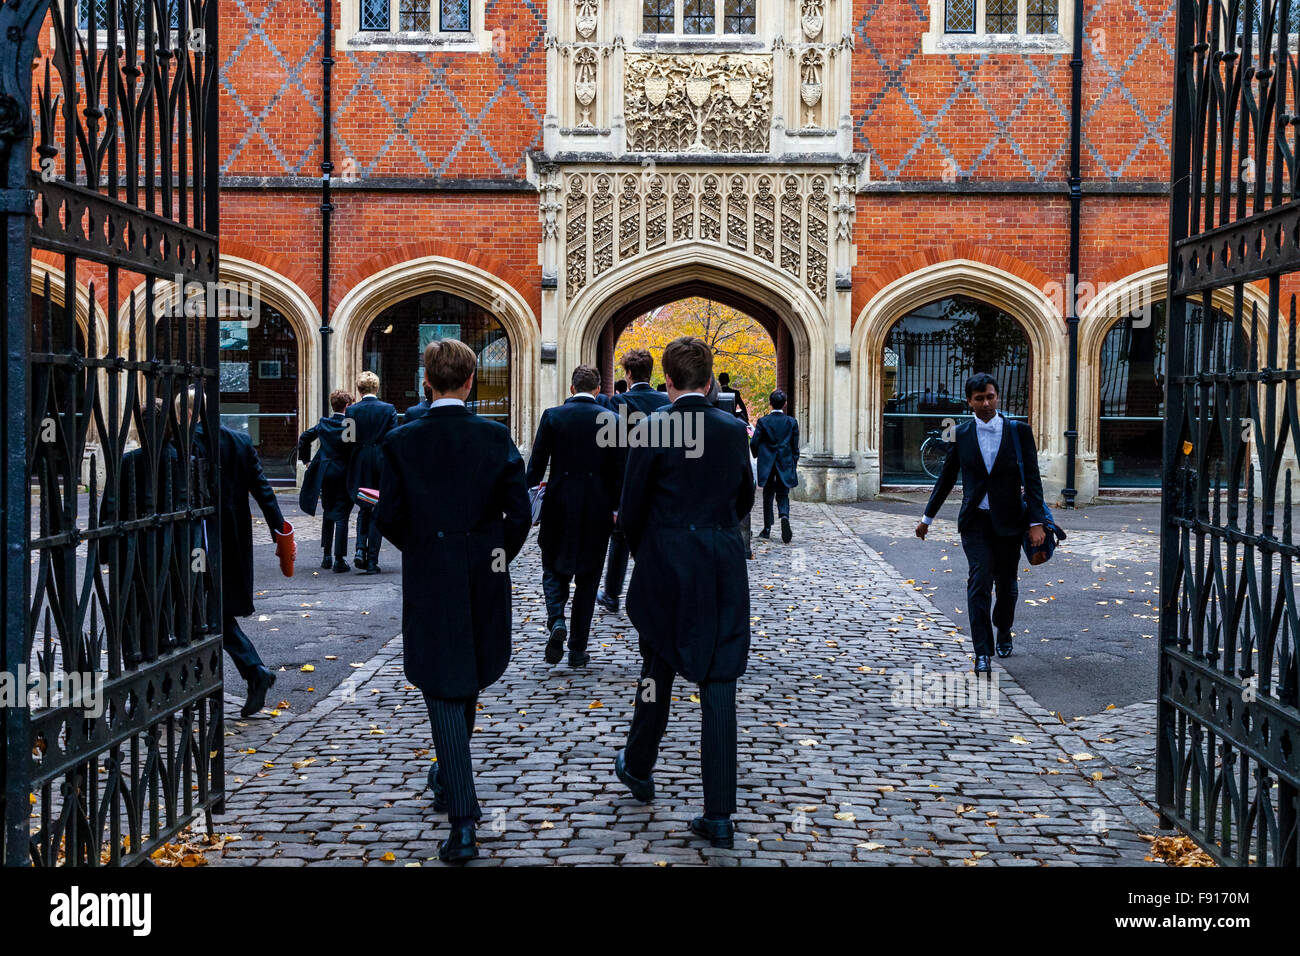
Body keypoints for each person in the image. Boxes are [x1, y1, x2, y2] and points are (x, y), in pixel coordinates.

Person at [377, 338, 531, 864]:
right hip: (483, 568)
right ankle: (456, 796)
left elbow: (388, 516)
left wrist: (424, 549)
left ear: (428, 381)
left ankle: (460, 813)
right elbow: (520, 511)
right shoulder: (494, 436)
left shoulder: (402, 440)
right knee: (460, 678)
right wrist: (494, 551)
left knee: (448, 681)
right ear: (470, 382)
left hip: (431, 571)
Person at [613, 336, 754, 849]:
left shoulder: (652, 427)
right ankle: (718, 814)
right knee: (719, 684)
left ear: (668, 382)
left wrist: (650, 548)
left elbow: (631, 509)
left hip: (666, 565)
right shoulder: (733, 428)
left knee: (656, 668)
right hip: (718, 566)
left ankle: (640, 764)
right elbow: (743, 497)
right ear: (710, 379)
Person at [915, 372, 1046, 674]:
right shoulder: (960, 434)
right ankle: (982, 652)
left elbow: (1034, 480)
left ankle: (1003, 627)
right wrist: (927, 519)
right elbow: (946, 478)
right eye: (979, 399)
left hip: (1010, 521)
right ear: (969, 402)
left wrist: (1036, 521)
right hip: (975, 523)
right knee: (979, 581)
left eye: (990, 397)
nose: (986, 403)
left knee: (1008, 587)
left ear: (997, 397)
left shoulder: (1019, 431)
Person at [188, 389, 290, 718]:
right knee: (210, 608)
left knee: (196, 605)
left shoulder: (188, 442)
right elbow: (263, 490)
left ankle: (194, 686)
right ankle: (250, 672)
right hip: (233, 539)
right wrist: (281, 532)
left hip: (199, 539)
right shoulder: (240, 441)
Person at [526, 364, 620, 666]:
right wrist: (617, 507)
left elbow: (537, 464)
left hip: (559, 502)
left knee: (553, 565)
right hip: (597, 506)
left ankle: (556, 619)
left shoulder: (553, 417)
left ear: (570, 388)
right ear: (597, 390)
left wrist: (528, 500)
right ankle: (578, 648)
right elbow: (619, 471)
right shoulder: (613, 421)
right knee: (589, 577)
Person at [596, 348, 671, 614]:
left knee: (620, 537)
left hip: (626, 478)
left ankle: (612, 594)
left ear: (628, 374)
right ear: (651, 373)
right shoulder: (665, 403)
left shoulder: (616, 404)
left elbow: (608, 447)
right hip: (661, 480)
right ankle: (657, 591)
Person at [344, 371, 398, 574]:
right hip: (381, 462)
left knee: (364, 506)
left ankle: (359, 549)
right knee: (377, 507)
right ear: (376, 388)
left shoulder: (352, 411)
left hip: (360, 460)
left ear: (359, 389)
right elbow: (392, 437)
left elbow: (347, 439)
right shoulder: (388, 409)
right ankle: (372, 560)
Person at [298, 389, 355, 573]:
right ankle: (339, 559)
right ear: (347, 405)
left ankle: (326, 556)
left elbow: (304, 437)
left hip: (325, 473)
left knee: (328, 512)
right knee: (342, 515)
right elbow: (350, 449)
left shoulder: (324, 423)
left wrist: (306, 460)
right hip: (343, 472)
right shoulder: (348, 424)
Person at [750, 389, 800, 544]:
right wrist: (793, 461)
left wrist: (758, 455)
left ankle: (767, 529)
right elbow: (795, 446)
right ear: (785, 404)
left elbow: (754, 442)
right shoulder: (791, 422)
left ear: (770, 404)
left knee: (767, 495)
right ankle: (784, 516)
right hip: (784, 462)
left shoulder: (763, 421)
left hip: (768, 463)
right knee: (783, 494)